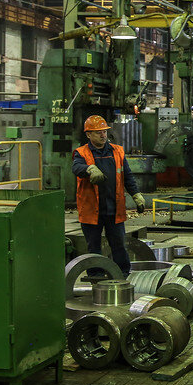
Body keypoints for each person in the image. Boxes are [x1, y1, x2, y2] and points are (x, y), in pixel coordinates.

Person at [72, 115, 145, 275]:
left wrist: (136, 194)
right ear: (88, 135)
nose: (103, 135)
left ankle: (122, 275)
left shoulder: (117, 151)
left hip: (114, 209)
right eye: (98, 132)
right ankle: (95, 278)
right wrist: (89, 169)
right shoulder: (81, 153)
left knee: (119, 244)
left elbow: (127, 175)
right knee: (94, 248)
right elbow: (76, 167)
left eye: (104, 131)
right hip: (92, 211)